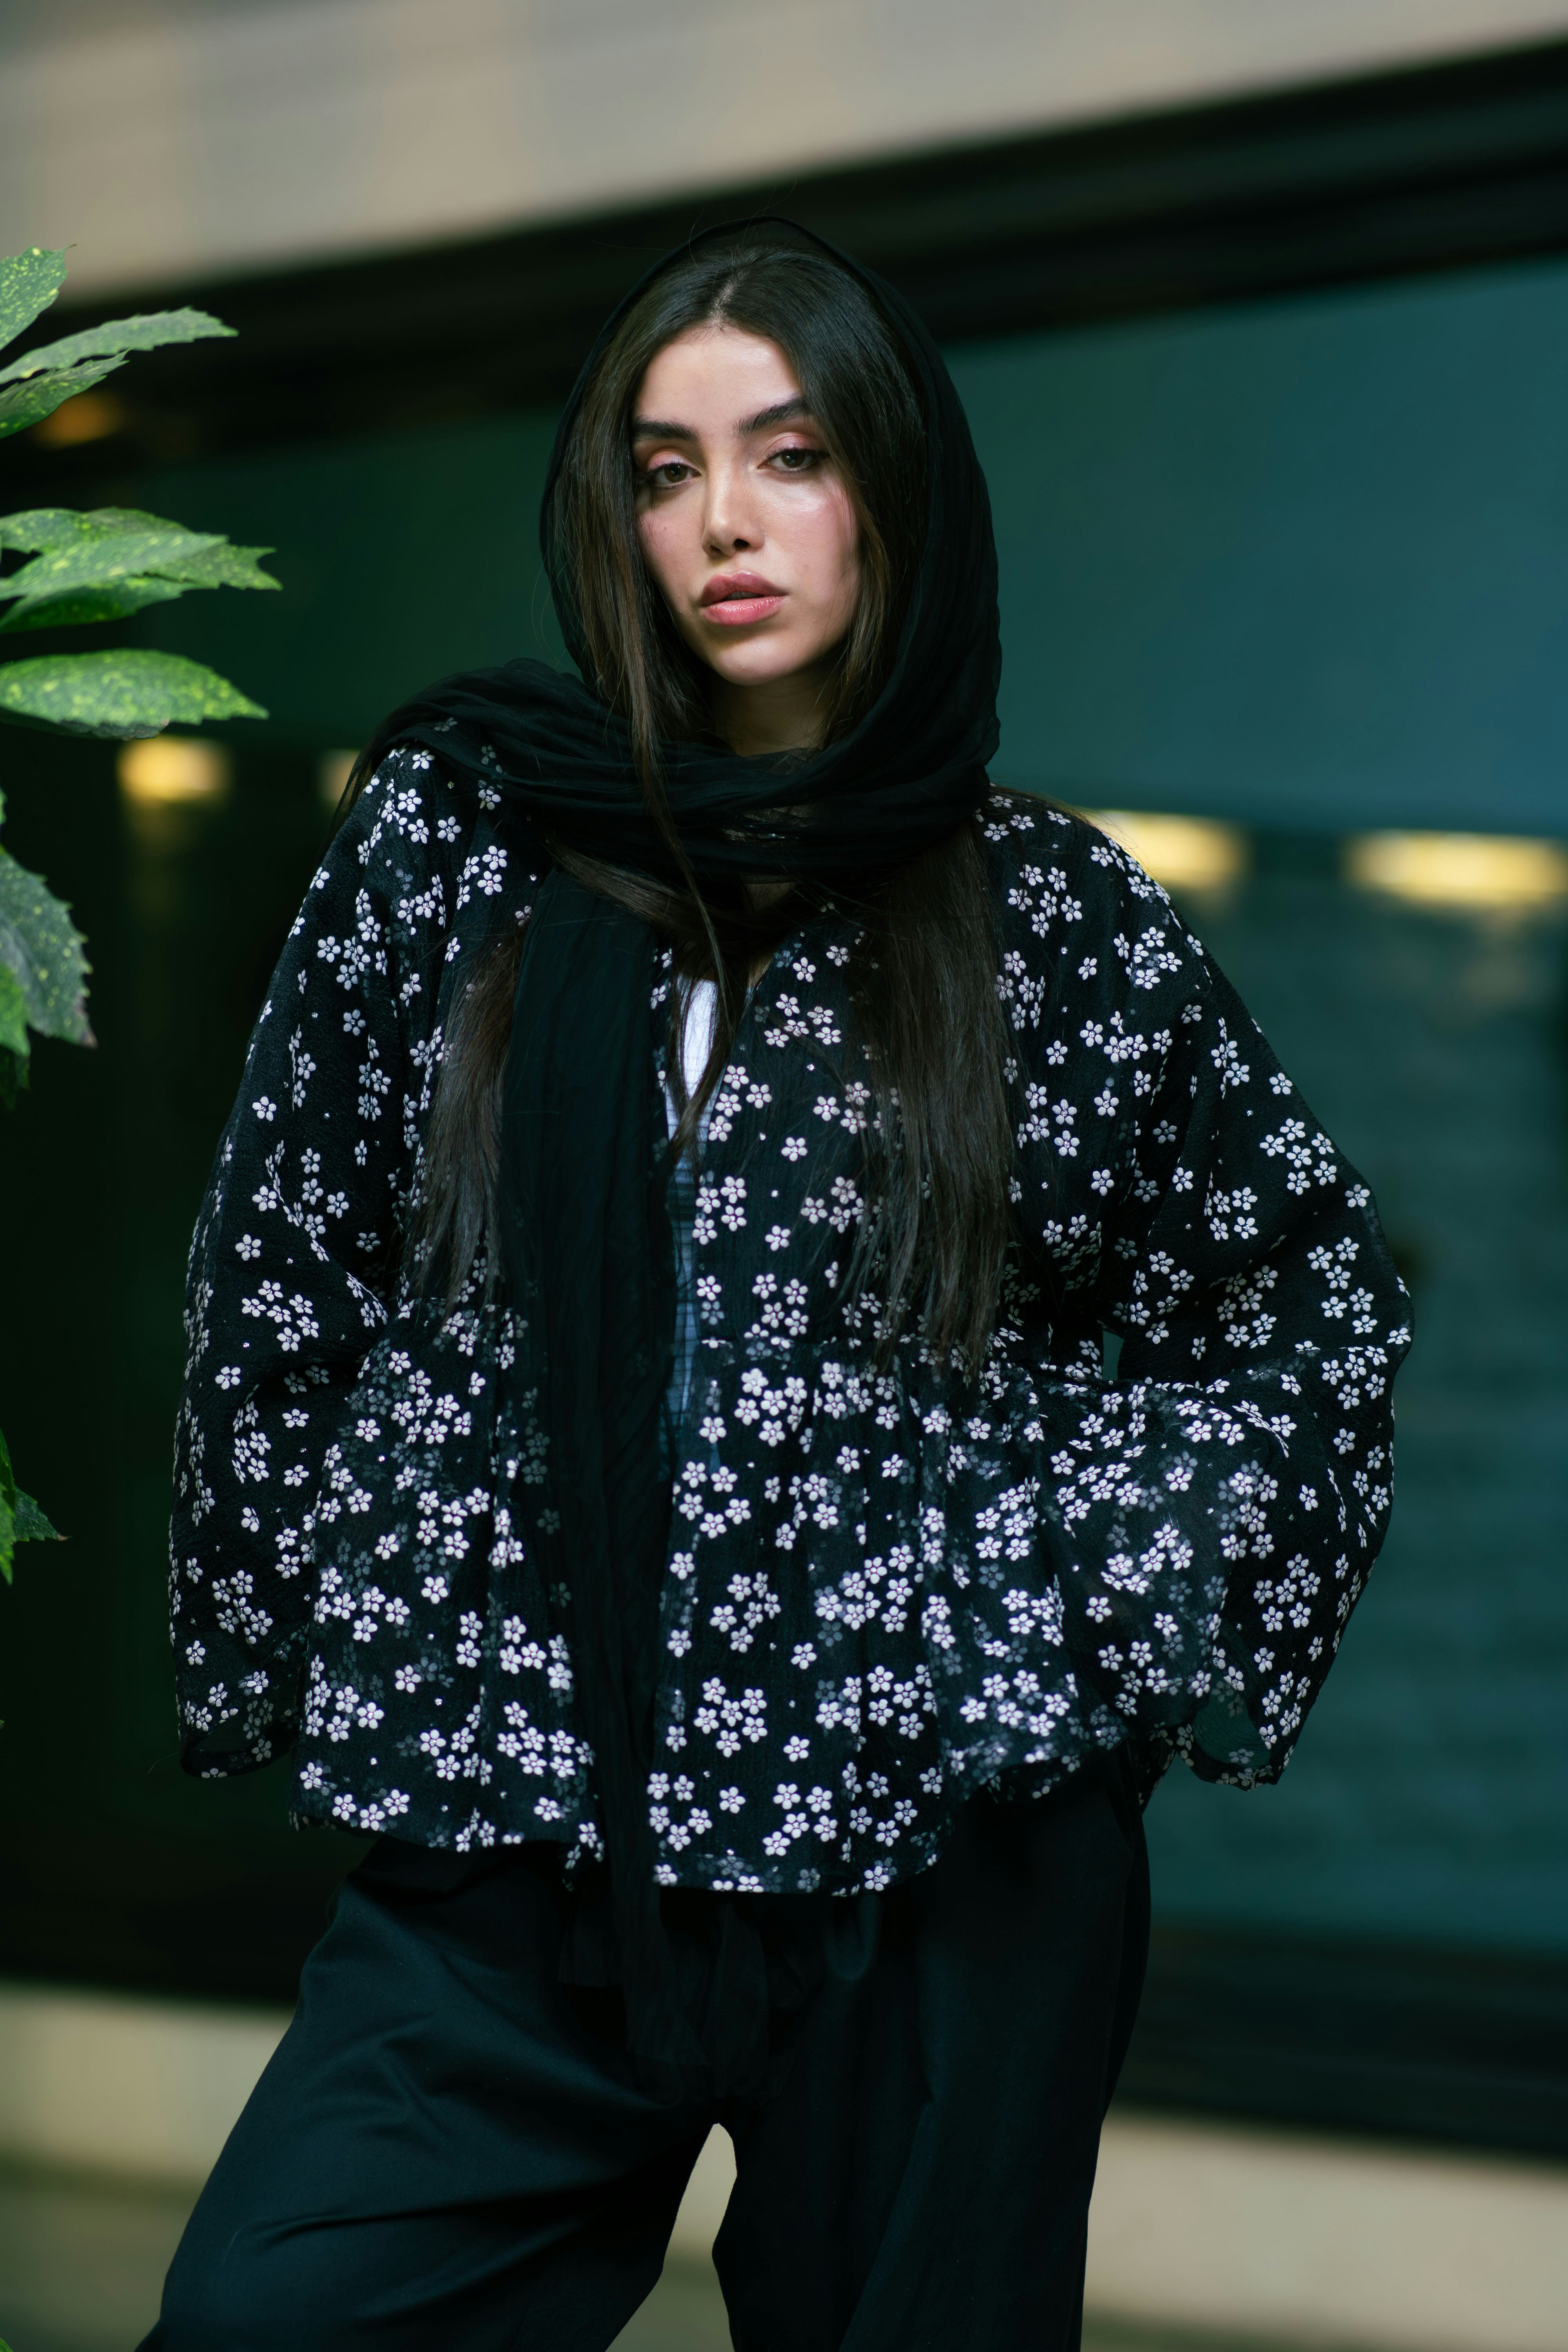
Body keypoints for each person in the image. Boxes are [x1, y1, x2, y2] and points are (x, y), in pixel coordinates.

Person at [145, 222, 1409, 2352]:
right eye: (662, 469)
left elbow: (1305, 1311)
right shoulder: (471, 841)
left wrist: (1049, 1575)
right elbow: (285, 1261)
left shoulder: (1050, 923)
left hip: (931, 1871)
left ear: (895, 490)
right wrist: (303, 1615)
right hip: (527, 1832)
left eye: (789, 454)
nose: (719, 520)